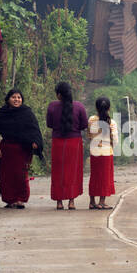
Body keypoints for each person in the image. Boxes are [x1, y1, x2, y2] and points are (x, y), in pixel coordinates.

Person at [0, 88, 43, 209]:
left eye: (19, 97)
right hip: (6, 149)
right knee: (6, 176)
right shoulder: (2, 113)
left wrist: (35, 142)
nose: (16, 100)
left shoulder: (27, 112)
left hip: (22, 149)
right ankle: (10, 200)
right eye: (13, 97)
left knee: (21, 175)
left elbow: (34, 129)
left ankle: (21, 199)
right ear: (8, 99)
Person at [46, 81, 89, 210]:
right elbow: (84, 125)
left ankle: (59, 202)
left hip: (58, 142)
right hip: (74, 143)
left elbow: (49, 124)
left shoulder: (52, 106)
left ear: (58, 95)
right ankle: (71, 201)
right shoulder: (79, 106)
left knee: (58, 171)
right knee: (73, 171)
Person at [87, 96, 118, 210]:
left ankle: (92, 202)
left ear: (96, 107)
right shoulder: (112, 123)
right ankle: (102, 202)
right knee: (105, 178)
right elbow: (115, 140)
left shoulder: (91, 120)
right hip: (106, 152)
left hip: (94, 152)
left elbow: (89, 135)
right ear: (109, 108)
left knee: (94, 176)